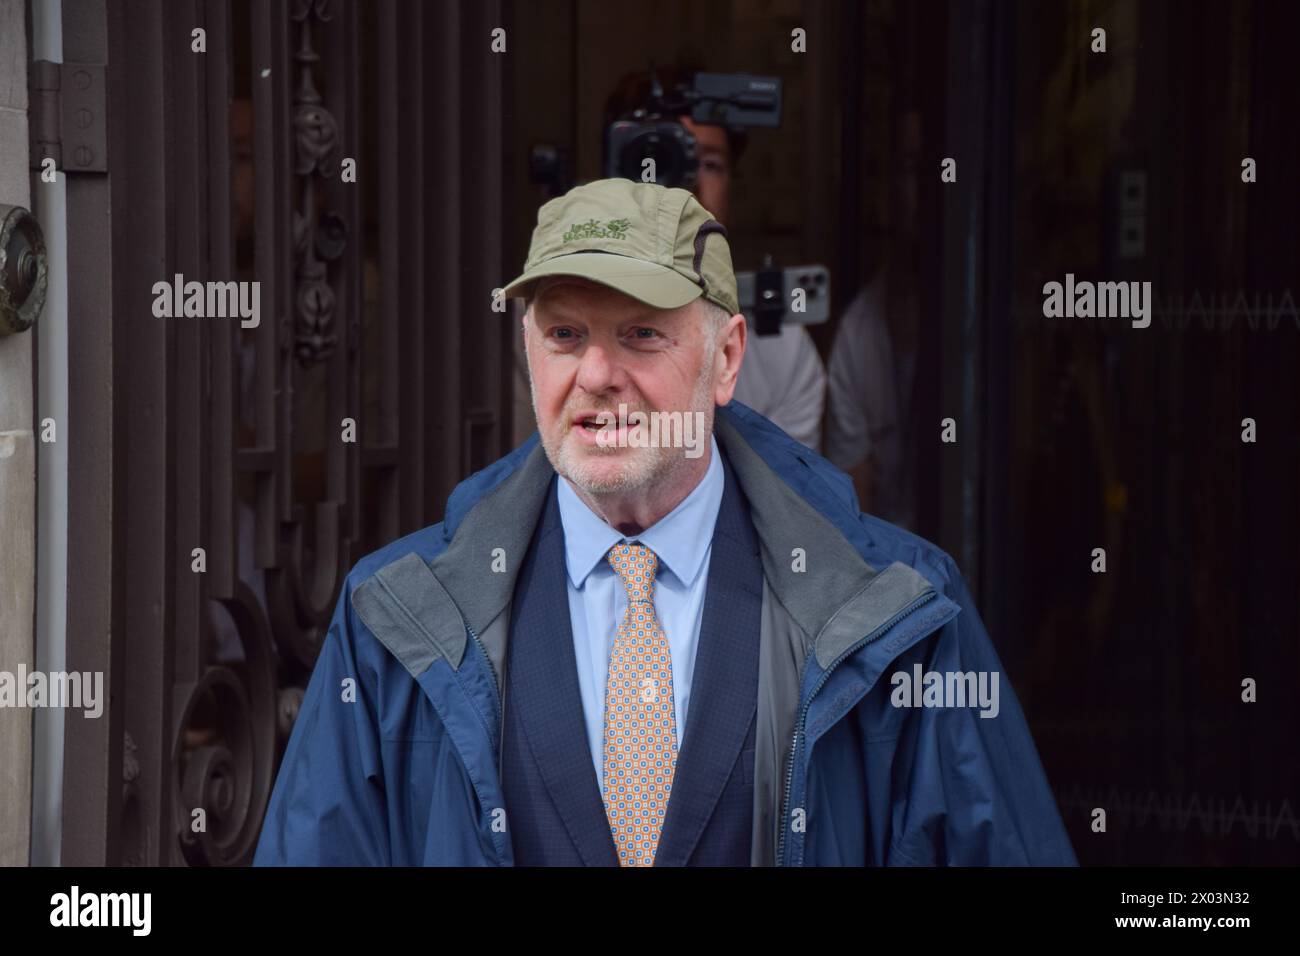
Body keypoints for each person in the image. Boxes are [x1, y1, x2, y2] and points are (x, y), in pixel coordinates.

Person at [253, 178, 1076, 866]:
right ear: (529, 351)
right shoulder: (396, 621)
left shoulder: (900, 614)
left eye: (641, 333)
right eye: (565, 334)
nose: (596, 374)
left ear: (726, 359)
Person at [513, 66, 827, 454]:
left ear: (731, 351)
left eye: (707, 163)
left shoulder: (784, 351)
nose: (682, 185)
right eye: (657, 156)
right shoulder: (541, 322)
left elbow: (788, 485)